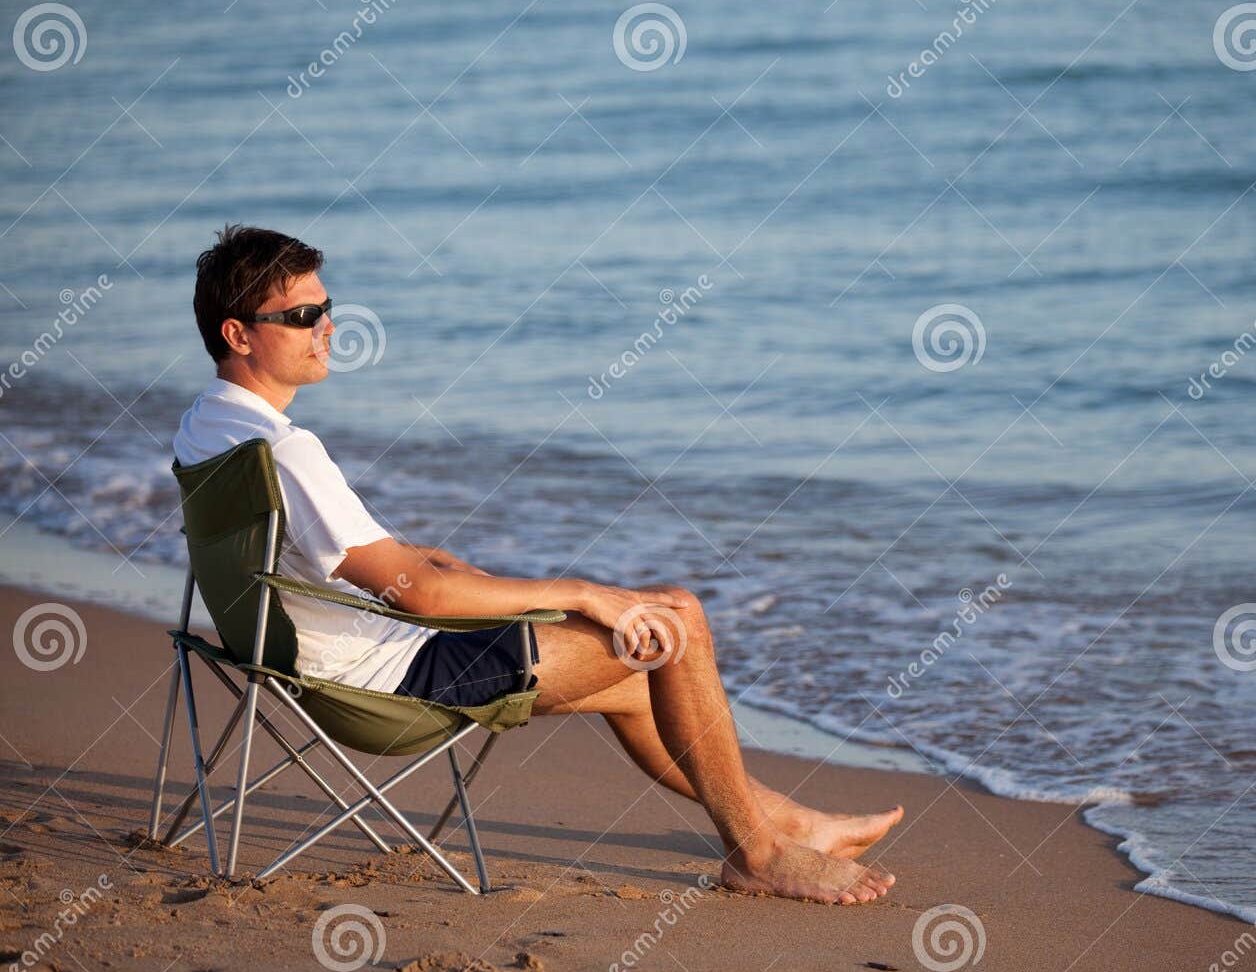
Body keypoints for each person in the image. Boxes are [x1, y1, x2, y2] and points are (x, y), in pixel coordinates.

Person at [172, 225, 901, 904]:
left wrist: (426, 563)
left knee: (636, 688)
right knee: (674, 617)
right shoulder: (287, 451)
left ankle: (792, 824)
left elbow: (339, 554)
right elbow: (421, 596)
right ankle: (759, 857)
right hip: (390, 684)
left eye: (326, 307)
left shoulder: (210, 425)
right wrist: (584, 593)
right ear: (238, 333)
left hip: (301, 657)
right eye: (301, 316)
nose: (327, 327)